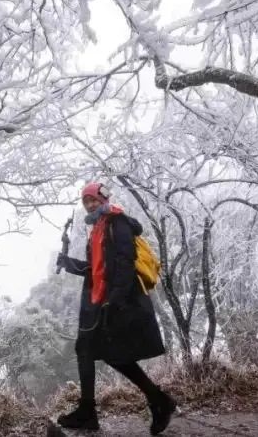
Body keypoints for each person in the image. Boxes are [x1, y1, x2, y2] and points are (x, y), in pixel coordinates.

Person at [55, 182, 177, 434]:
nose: (90, 204)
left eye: (93, 199)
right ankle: (91, 411)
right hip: (102, 300)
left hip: (121, 301)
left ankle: (158, 401)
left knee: (106, 352)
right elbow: (98, 269)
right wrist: (69, 264)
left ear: (104, 199)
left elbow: (124, 263)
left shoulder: (117, 223)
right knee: (87, 349)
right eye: (86, 201)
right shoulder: (98, 228)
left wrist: (115, 300)